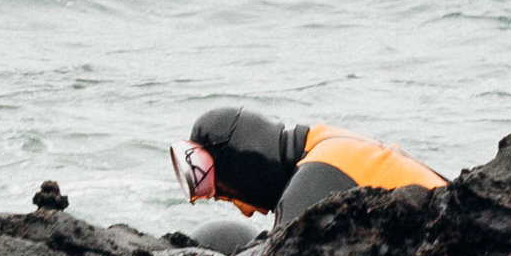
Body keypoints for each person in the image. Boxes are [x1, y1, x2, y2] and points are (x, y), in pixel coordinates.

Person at [173, 107, 445, 227]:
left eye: (229, 195)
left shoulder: (316, 176)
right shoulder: (330, 141)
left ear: (245, 168)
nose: (244, 212)